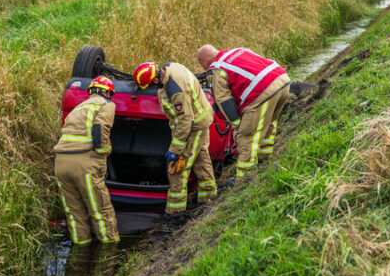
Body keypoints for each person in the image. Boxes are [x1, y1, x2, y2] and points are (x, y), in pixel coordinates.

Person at [133, 61, 217, 213]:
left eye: (151, 85)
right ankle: (208, 201)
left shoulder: (175, 90)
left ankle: (175, 213)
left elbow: (186, 120)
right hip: (201, 120)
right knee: (201, 161)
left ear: (156, 79)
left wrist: (175, 150)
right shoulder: (170, 68)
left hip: (194, 127)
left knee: (177, 169)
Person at [197, 45, 291, 179]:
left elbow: (224, 101)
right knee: (269, 123)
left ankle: (244, 181)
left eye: (201, 64)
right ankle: (266, 160)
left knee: (247, 136)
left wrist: (238, 126)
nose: (203, 68)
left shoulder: (216, 70)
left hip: (262, 92)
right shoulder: (238, 50)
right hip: (282, 80)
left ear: (206, 60)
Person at [53, 75, 119, 246]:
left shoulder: (77, 108)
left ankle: (81, 251)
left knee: (74, 212)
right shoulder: (106, 105)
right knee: (100, 210)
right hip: (84, 164)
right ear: (108, 93)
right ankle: (109, 250)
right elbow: (100, 128)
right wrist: (104, 151)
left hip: (61, 164)